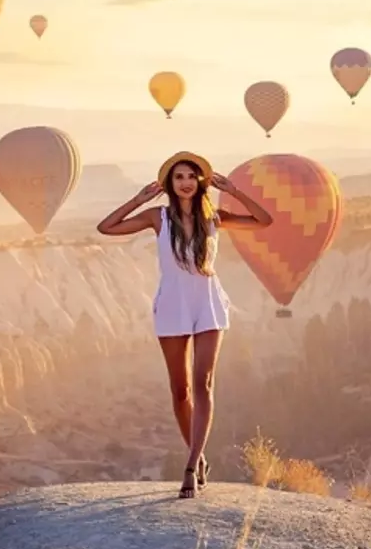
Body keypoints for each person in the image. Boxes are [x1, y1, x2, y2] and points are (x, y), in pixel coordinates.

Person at [97, 152, 273, 499]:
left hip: (207, 303)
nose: (186, 182)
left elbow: (263, 220)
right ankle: (200, 455)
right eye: (178, 177)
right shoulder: (156, 217)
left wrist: (234, 190)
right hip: (173, 306)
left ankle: (191, 465)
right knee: (181, 391)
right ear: (169, 184)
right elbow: (106, 227)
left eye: (192, 176)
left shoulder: (215, 218)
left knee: (204, 382)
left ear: (202, 182)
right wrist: (138, 199)